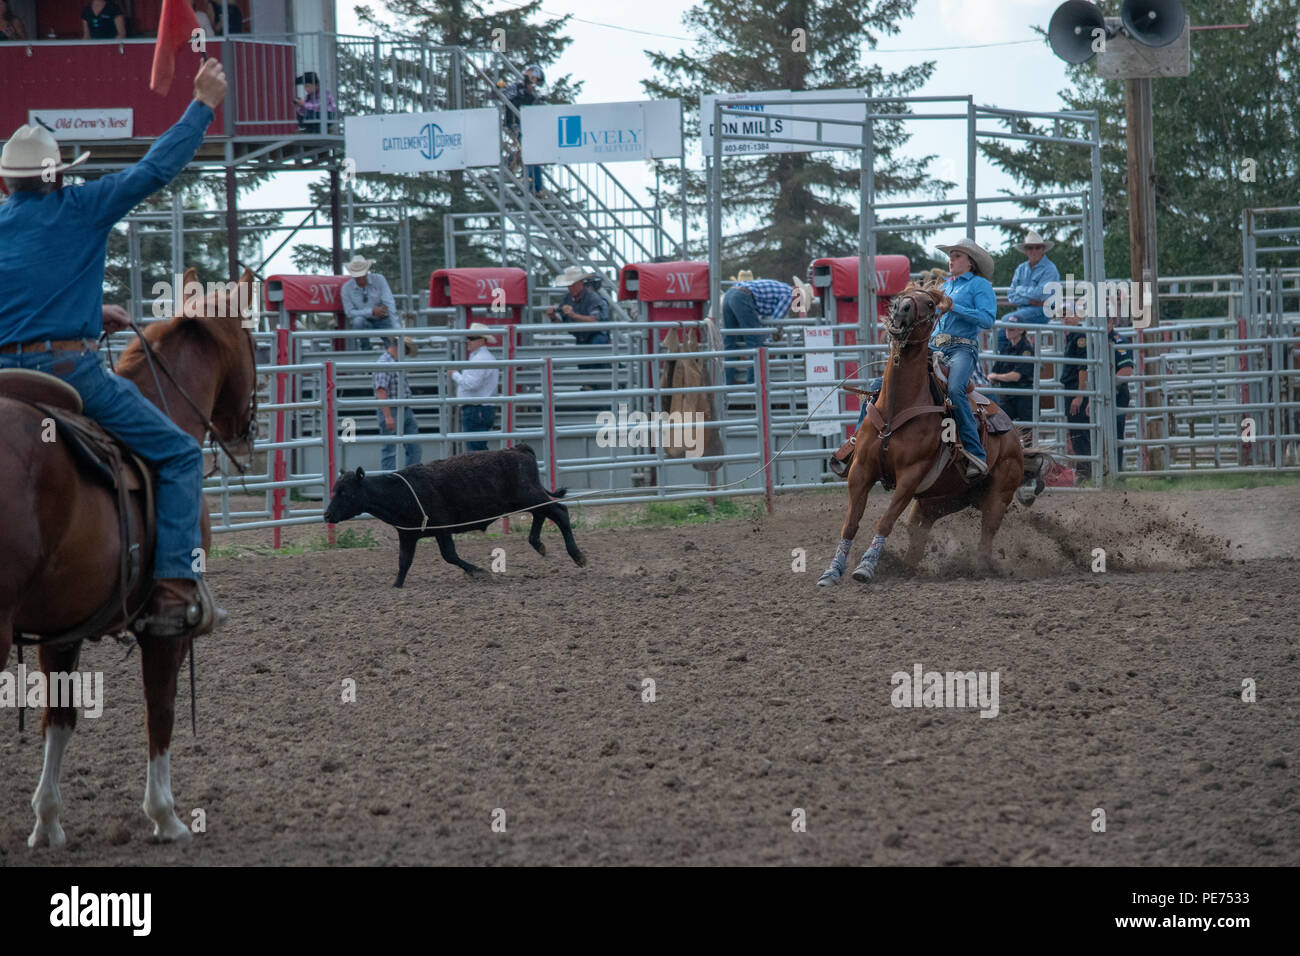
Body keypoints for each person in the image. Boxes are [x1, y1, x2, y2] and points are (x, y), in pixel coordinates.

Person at [0, 58, 228, 638]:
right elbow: (154, 169)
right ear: (56, 176)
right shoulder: (82, 205)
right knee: (178, 454)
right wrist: (200, 104)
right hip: (69, 372)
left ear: (8, 183)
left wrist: (83, 309)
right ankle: (175, 589)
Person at [930, 237, 998, 478]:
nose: (951, 259)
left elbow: (988, 320)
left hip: (962, 348)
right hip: (933, 346)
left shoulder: (980, 285)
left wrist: (954, 308)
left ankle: (976, 454)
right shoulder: (945, 286)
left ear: (970, 262)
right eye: (950, 255)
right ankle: (859, 445)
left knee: (956, 388)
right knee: (887, 381)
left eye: (957, 255)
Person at [721, 271, 813, 385]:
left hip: (730, 293)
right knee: (756, 344)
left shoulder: (781, 289)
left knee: (730, 342)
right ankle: (753, 386)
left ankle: (727, 384)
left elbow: (763, 318)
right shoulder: (789, 295)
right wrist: (769, 340)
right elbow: (774, 322)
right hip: (742, 297)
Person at [1000, 230, 1060, 349]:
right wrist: (1030, 300)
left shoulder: (1050, 269)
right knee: (1005, 327)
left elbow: (1040, 295)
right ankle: (1018, 359)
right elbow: (1011, 295)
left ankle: (1008, 362)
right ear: (1026, 251)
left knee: (1005, 324)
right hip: (1026, 311)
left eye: (1037, 247)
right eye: (1030, 248)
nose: (1034, 251)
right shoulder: (1021, 268)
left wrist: (1020, 290)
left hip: (1042, 312)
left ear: (1043, 249)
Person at [374, 337, 421, 471]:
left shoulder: (391, 362)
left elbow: (381, 390)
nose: (406, 354)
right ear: (401, 347)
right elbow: (381, 390)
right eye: (406, 351)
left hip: (401, 407)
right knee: (392, 450)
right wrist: (388, 416)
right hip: (393, 409)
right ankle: (393, 481)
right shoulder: (385, 362)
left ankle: (406, 479)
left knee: (410, 448)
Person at [450, 324, 501, 451]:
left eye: (472, 338)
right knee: (477, 448)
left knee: (476, 450)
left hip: (476, 409)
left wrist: (454, 375)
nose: (468, 341)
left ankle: (485, 471)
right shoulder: (481, 357)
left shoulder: (480, 358)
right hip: (480, 409)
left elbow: (471, 384)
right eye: (468, 338)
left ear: (482, 340)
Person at [499, 65, 545, 195]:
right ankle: (532, 185)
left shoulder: (533, 94)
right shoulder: (515, 88)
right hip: (514, 124)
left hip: (526, 126)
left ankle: (537, 187)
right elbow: (498, 90)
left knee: (533, 154)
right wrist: (501, 84)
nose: (533, 85)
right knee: (530, 152)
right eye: (533, 80)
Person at [987, 316, 1035, 440]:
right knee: (1000, 426)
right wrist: (996, 376)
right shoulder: (1006, 347)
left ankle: (1029, 457)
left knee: (1026, 433)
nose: (1007, 331)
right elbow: (994, 372)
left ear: (1021, 330)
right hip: (1008, 396)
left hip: (1024, 397)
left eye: (1011, 329)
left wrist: (997, 377)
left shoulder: (1026, 350)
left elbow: (1016, 376)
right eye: (1007, 329)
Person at [1060, 304, 1092, 482]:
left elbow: (1083, 368)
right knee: (1077, 431)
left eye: (1069, 315)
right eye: (1063, 316)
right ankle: (1085, 471)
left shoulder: (1079, 336)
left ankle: (1084, 473)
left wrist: (1079, 395)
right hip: (1073, 389)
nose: (1066, 318)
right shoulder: (1073, 336)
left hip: (1076, 390)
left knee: (1079, 431)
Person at [340, 255, 399, 351]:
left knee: (393, 343)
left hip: (383, 319)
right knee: (358, 321)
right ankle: (366, 349)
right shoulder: (346, 288)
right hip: (366, 321)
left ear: (367, 272)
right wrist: (371, 311)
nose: (360, 278)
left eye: (361, 274)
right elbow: (349, 312)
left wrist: (396, 328)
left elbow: (389, 302)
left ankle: (393, 351)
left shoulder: (379, 279)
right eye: (357, 275)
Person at [1110, 315, 1136, 471]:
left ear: (1111, 322)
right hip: (1098, 392)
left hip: (1117, 393)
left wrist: (1106, 385)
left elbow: (1126, 370)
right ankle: (1097, 470)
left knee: (1117, 430)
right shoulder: (1089, 340)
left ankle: (1116, 469)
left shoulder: (1120, 342)